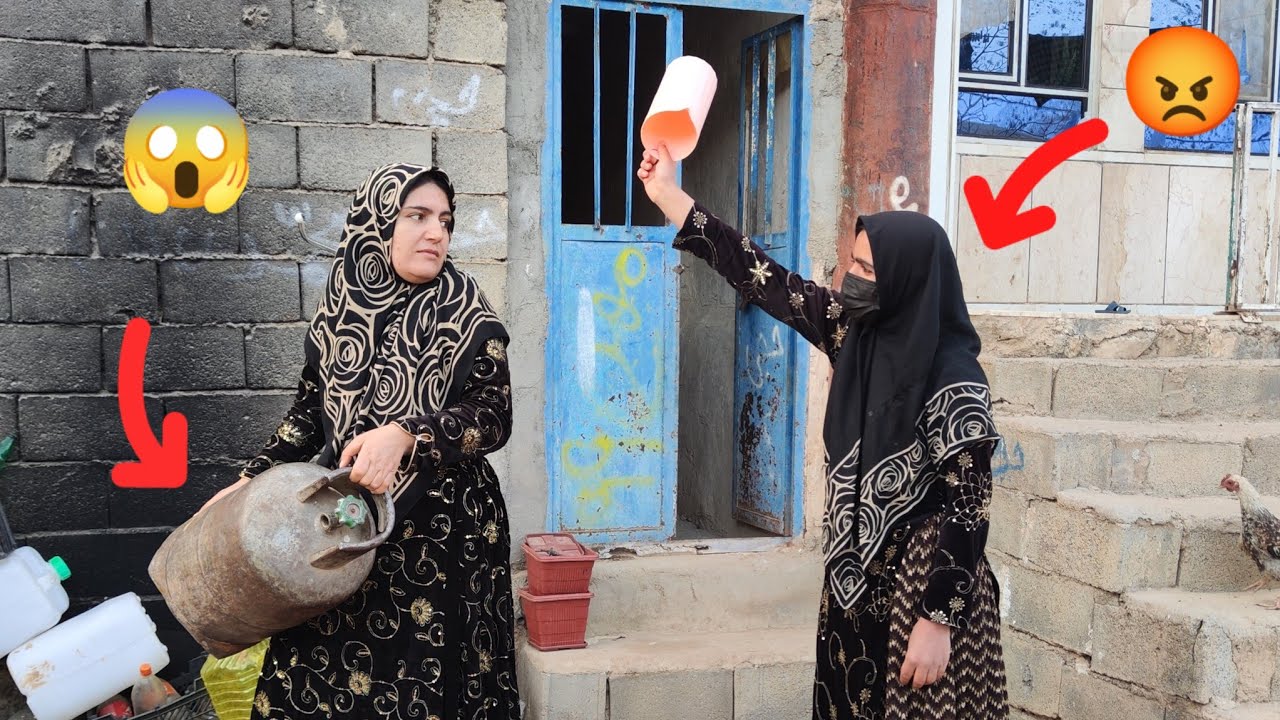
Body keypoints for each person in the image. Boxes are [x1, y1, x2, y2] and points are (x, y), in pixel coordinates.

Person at [637, 145, 1008, 719]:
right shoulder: (853, 334)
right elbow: (761, 276)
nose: (851, 280)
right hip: (851, 591)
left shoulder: (955, 381)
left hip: (921, 596)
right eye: (852, 263)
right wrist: (668, 196)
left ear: (909, 283)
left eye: (869, 271)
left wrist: (938, 621)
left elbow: (970, 508)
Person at [202, 163, 520, 720]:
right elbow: (309, 415)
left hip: (439, 535)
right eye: (417, 216)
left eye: (445, 221)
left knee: (422, 685)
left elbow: (494, 415)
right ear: (377, 223)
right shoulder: (341, 309)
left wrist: (407, 435)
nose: (436, 233)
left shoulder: (465, 309)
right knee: (318, 679)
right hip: (340, 523)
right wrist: (249, 480)